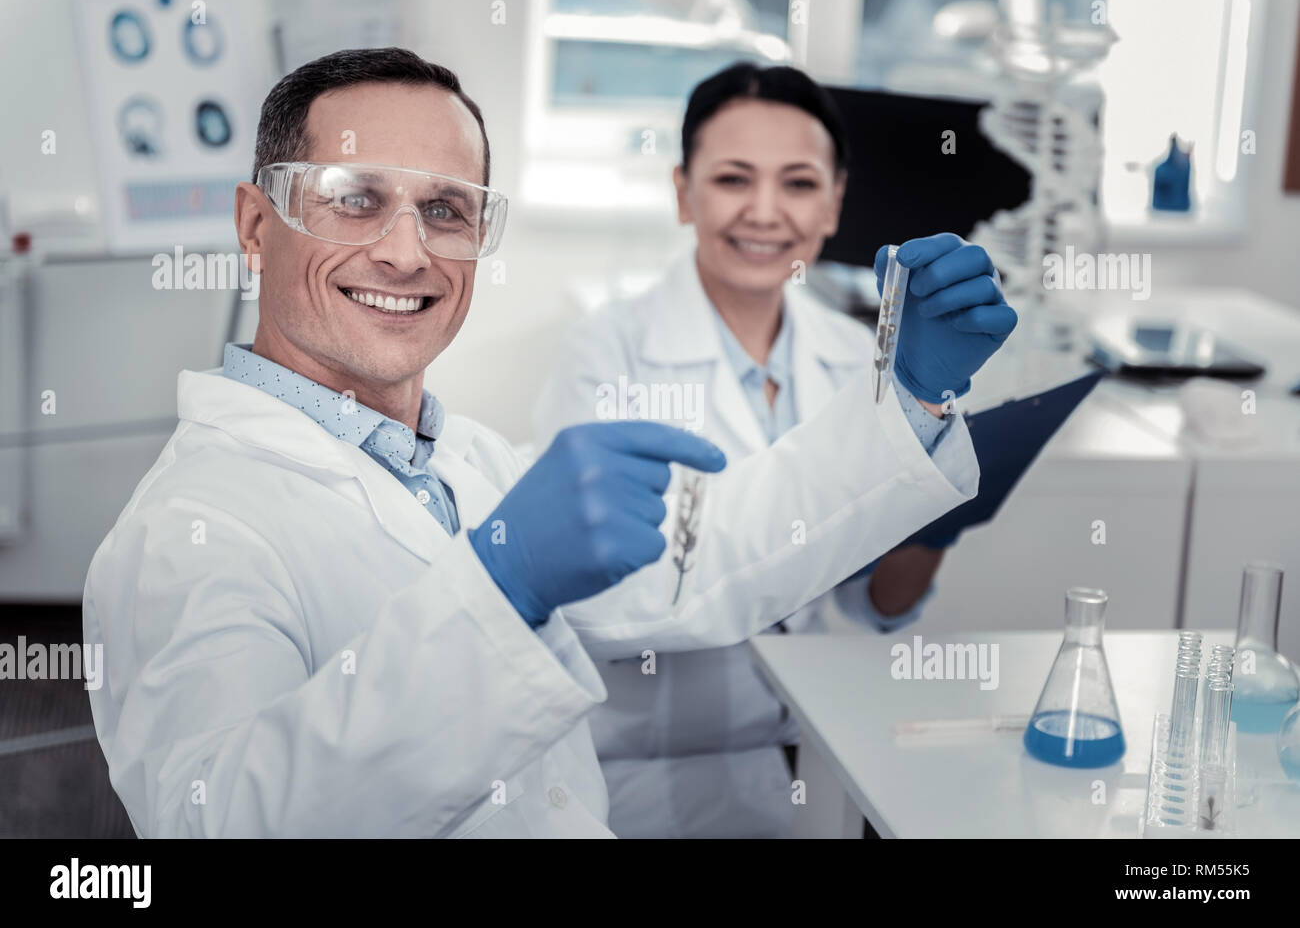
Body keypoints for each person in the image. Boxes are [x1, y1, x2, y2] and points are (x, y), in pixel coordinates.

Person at [83, 48, 1013, 838]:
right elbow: (228, 819)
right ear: (256, 225)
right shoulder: (188, 532)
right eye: (355, 198)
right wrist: (499, 588)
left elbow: (704, 556)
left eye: (446, 211)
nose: (406, 252)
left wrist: (910, 399)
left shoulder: (466, 460)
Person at [533, 62, 1008, 838]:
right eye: (731, 179)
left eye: (796, 182)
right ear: (683, 192)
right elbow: (605, 593)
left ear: (835, 201)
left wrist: (931, 513)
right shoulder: (603, 354)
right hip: (642, 768)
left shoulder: (867, 354)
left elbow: (875, 605)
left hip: (813, 748)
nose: (764, 213)